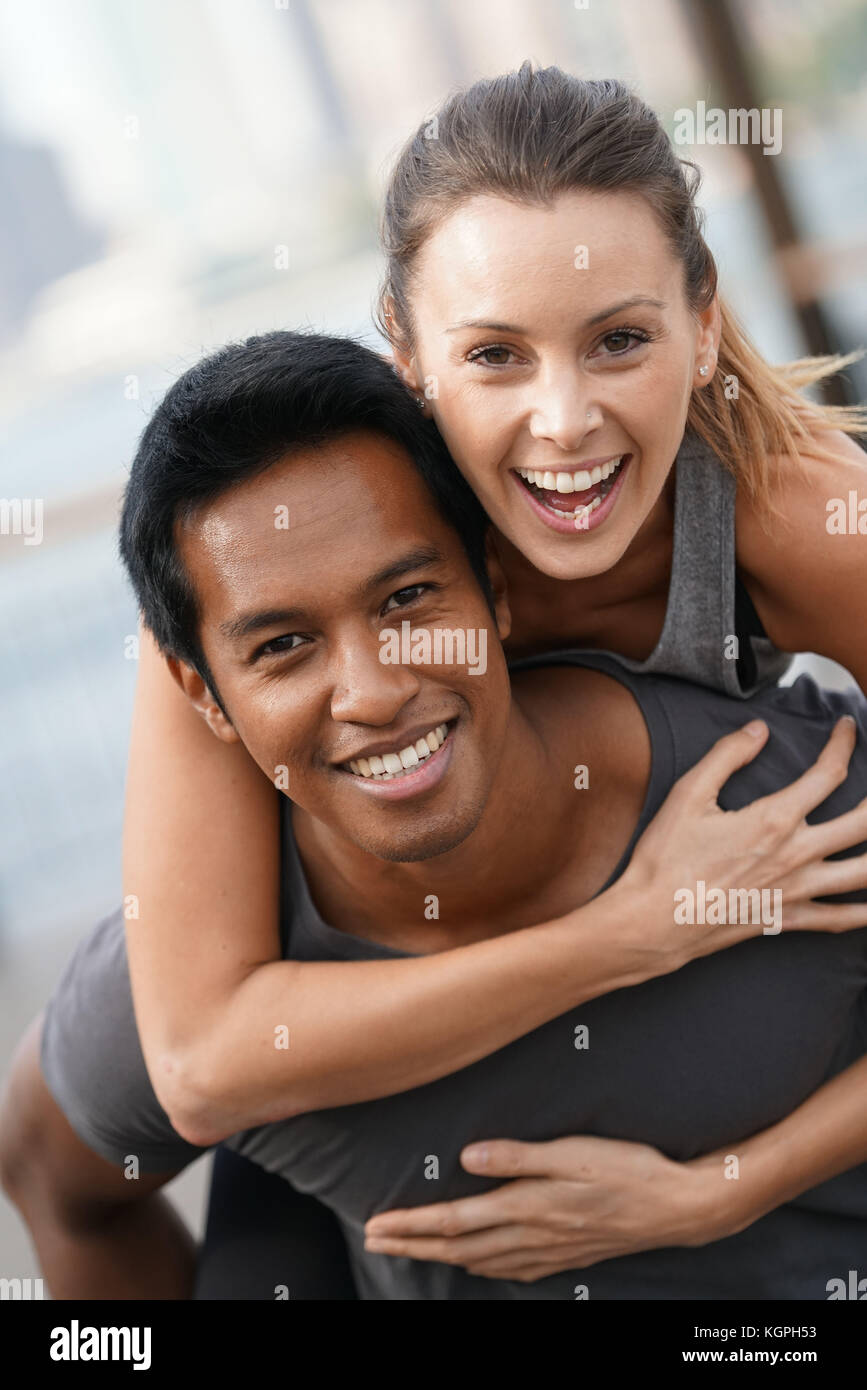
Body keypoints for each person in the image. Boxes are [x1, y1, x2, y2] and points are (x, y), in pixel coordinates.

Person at [118, 66, 867, 1258]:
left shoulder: (801, 519)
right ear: (408, 350)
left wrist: (726, 1188)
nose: (564, 421)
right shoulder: (284, 557)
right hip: (342, 975)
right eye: (497, 356)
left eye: (619, 340)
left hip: (530, 959)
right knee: (52, 1147)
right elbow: (203, 1059)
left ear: (705, 319)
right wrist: (642, 925)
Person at [3, 331, 867, 1300]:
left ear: (496, 586)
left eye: (409, 598)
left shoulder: (784, 819)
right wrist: (628, 933)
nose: (371, 691)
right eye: (284, 645)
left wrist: (722, 1191)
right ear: (202, 697)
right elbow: (48, 1165)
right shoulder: (205, 972)